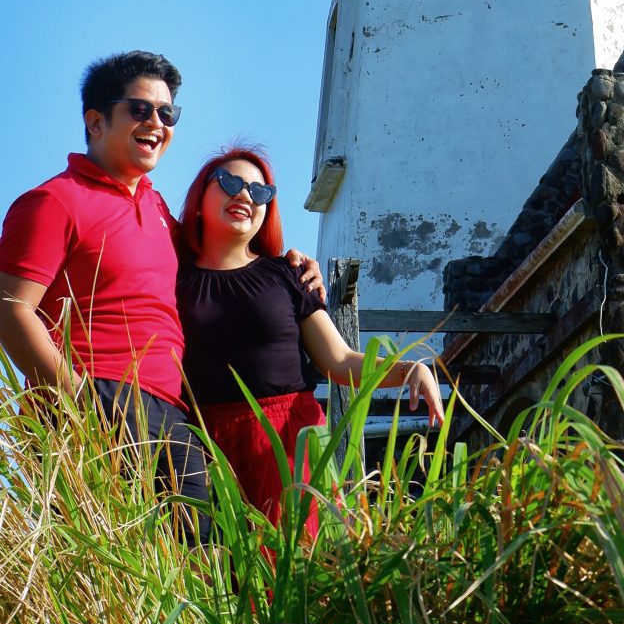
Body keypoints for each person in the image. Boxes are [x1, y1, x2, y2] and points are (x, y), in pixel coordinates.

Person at [0, 51, 324, 540]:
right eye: (140, 109)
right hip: (98, 392)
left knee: (204, 563)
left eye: (168, 113)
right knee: (195, 554)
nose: (157, 122)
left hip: (169, 409)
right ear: (95, 121)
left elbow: (218, 256)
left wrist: (290, 264)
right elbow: (10, 308)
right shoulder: (53, 202)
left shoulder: (153, 208)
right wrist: (77, 397)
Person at [176, 145, 443, 534]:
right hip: (203, 446)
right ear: (200, 198)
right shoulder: (171, 279)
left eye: (260, 191)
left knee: (300, 571)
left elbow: (338, 361)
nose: (245, 195)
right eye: (230, 182)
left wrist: (409, 369)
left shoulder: (288, 275)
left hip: (288, 439)